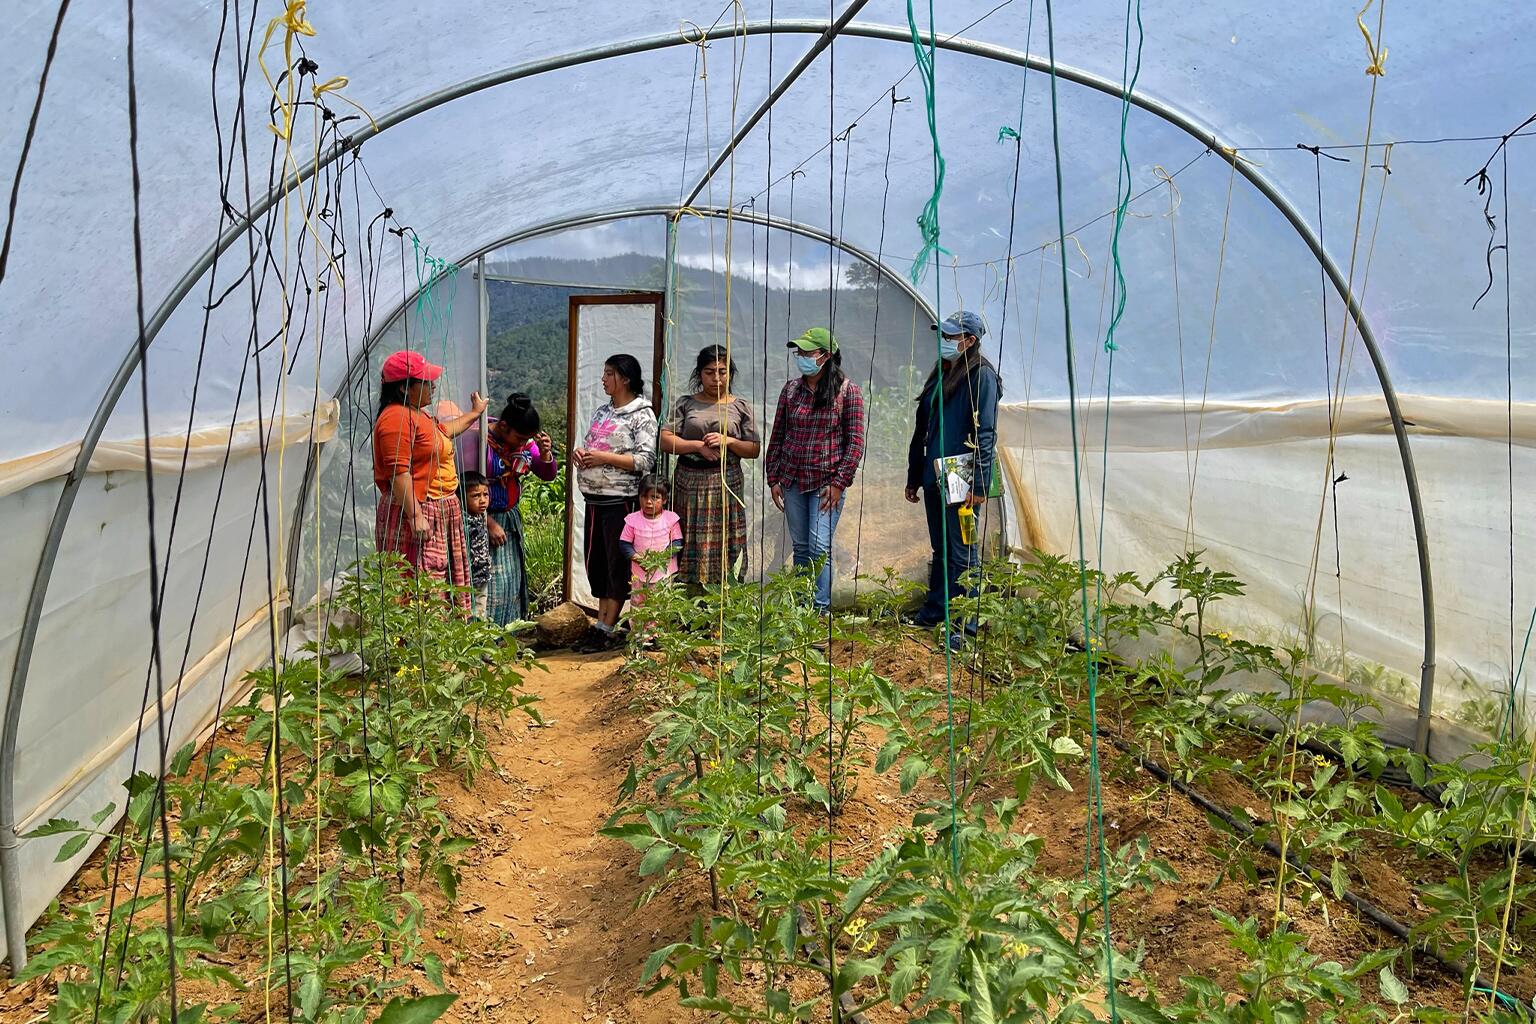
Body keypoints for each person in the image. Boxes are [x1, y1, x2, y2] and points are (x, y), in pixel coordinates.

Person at [904, 310, 1001, 645]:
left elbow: (985, 431)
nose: (943, 342)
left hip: (961, 475)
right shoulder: (942, 372)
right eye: (942, 336)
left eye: (949, 337)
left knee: (963, 550)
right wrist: (913, 474)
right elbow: (924, 427)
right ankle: (935, 612)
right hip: (935, 474)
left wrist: (980, 483)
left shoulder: (981, 376)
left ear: (969, 341)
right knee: (941, 547)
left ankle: (964, 627)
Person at [371, 350, 486, 609]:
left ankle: (443, 642)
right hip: (419, 512)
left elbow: (444, 431)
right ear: (403, 388)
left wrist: (475, 413)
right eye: (425, 381)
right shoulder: (395, 418)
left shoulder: (417, 415)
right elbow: (399, 472)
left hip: (437, 510)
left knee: (437, 580)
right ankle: (418, 644)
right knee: (421, 581)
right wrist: (415, 516)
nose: (432, 385)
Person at [764, 327, 866, 612]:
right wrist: (774, 477)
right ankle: (800, 607)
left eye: (808, 353)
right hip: (793, 480)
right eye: (800, 353)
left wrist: (839, 483)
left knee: (820, 547)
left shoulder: (848, 392)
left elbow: (855, 443)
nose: (802, 358)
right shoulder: (791, 390)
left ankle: (820, 610)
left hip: (825, 483)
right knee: (801, 547)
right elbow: (779, 435)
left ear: (826, 356)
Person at [573, 353, 659, 647]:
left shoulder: (642, 415)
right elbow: (593, 445)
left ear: (625, 379)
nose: (603, 379)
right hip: (595, 499)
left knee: (615, 565)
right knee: (596, 563)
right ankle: (601, 624)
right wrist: (582, 455)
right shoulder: (602, 412)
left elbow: (646, 460)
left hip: (619, 501)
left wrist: (601, 457)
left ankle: (606, 629)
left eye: (609, 374)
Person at [659, 344, 760, 587]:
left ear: (730, 373)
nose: (716, 378)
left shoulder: (740, 406)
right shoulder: (686, 404)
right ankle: (688, 594)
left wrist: (730, 440)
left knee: (724, 536)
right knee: (689, 534)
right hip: (689, 482)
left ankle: (724, 593)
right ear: (699, 374)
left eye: (722, 371)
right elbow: (665, 440)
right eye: (709, 372)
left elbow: (754, 449)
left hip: (725, 482)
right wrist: (697, 446)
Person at [484, 394, 559, 625]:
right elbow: (464, 486)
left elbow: (547, 474)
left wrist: (545, 453)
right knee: (489, 583)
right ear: (504, 426)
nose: (523, 443)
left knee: (510, 583)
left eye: (528, 439)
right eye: (520, 437)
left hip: (510, 522)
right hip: (484, 521)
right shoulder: (479, 441)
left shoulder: (525, 444)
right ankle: (486, 637)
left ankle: (509, 634)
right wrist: (488, 523)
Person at [616, 475, 683, 639]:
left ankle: (657, 637)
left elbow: (677, 542)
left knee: (659, 604)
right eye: (644, 497)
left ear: (665, 500)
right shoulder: (632, 520)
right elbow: (624, 544)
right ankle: (639, 636)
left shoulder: (670, 519)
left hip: (663, 573)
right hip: (639, 573)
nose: (648, 502)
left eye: (655, 497)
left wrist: (662, 558)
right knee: (639, 603)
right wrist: (638, 558)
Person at [460, 471, 493, 618]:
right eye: (475, 496)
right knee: (466, 612)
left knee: (480, 610)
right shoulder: (463, 520)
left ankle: (480, 639)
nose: (482, 500)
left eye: (485, 495)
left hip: (482, 575)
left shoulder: (481, 516)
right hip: (468, 578)